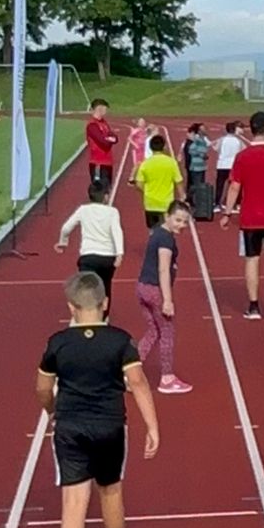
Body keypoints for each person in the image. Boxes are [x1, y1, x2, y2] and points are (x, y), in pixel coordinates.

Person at [37, 269, 157, 528]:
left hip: (70, 427)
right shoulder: (120, 340)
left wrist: (51, 411)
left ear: (71, 306)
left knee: (74, 502)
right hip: (109, 427)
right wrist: (153, 426)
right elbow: (138, 383)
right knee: (111, 489)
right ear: (105, 303)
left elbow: (43, 388)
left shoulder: (57, 342)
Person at [219, 108, 264, 320]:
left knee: (252, 259)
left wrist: (227, 212)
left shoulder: (243, 157)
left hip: (250, 217)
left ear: (251, 130)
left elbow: (235, 186)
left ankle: (253, 306)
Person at [136, 199, 192, 395]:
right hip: (154, 290)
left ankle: (131, 372)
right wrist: (167, 300)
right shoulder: (166, 239)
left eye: (185, 222)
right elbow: (163, 269)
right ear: (167, 216)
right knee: (167, 331)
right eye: (178, 220)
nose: (181, 225)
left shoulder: (158, 232)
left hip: (142, 286)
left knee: (153, 331)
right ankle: (167, 378)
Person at [56, 182, 125, 311]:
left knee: (86, 287)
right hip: (107, 258)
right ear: (105, 197)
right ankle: (104, 316)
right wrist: (119, 253)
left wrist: (63, 242)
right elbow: (117, 231)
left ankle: (85, 313)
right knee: (105, 286)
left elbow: (66, 228)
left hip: (88, 257)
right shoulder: (112, 212)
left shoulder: (83, 210)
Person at [132, 132, 183, 229]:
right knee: (167, 229)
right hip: (167, 203)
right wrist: (182, 197)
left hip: (150, 203)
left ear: (151, 148)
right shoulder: (171, 163)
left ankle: (154, 243)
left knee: (153, 230)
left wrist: (147, 191)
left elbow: (138, 184)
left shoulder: (145, 164)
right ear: (164, 147)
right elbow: (178, 182)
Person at [85, 98, 118, 196]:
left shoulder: (104, 123)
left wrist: (110, 139)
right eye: (105, 109)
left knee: (107, 190)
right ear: (99, 109)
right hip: (98, 163)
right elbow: (103, 143)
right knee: (99, 191)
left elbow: (115, 137)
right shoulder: (92, 125)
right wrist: (109, 139)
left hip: (108, 162)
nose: (106, 111)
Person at [214, 121, 245, 209]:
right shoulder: (238, 141)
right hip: (233, 165)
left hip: (222, 165)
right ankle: (237, 204)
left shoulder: (222, 139)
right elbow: (243, 150)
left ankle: (217, 203)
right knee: (236, 185)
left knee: (220, 185)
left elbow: (216, 149)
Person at [182, 123, 211, 201]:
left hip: (201, 166)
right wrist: (201, 155)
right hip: (196, 166)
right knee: (196, 184)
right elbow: (191, 150)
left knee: (198, 184)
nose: (205, 130)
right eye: (203, 129)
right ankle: (191, 199)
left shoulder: (202, 140)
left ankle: (192, 199)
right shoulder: (197, 140)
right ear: (199, 131)